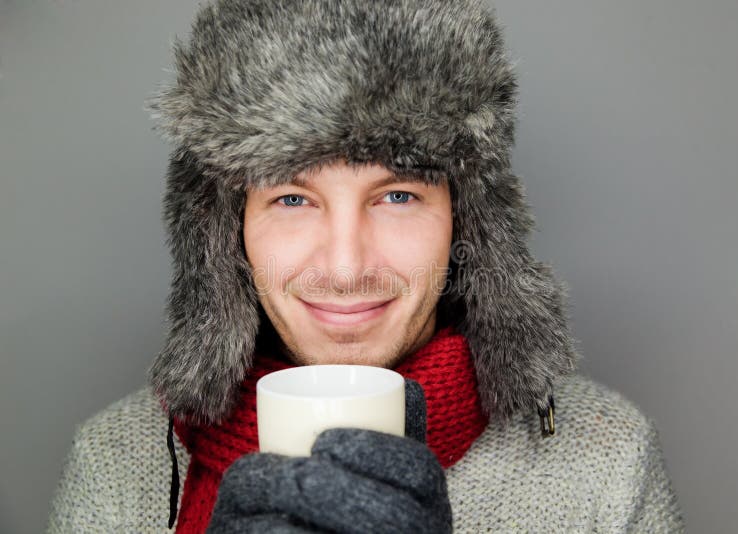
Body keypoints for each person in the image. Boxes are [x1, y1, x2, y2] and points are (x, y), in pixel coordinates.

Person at [46, 0, 686, 532]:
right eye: (292, 199)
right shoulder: (115, 462)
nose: (347, 268)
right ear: (226, 232)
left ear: (466, 223)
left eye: (398, 196)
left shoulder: (605, 459)